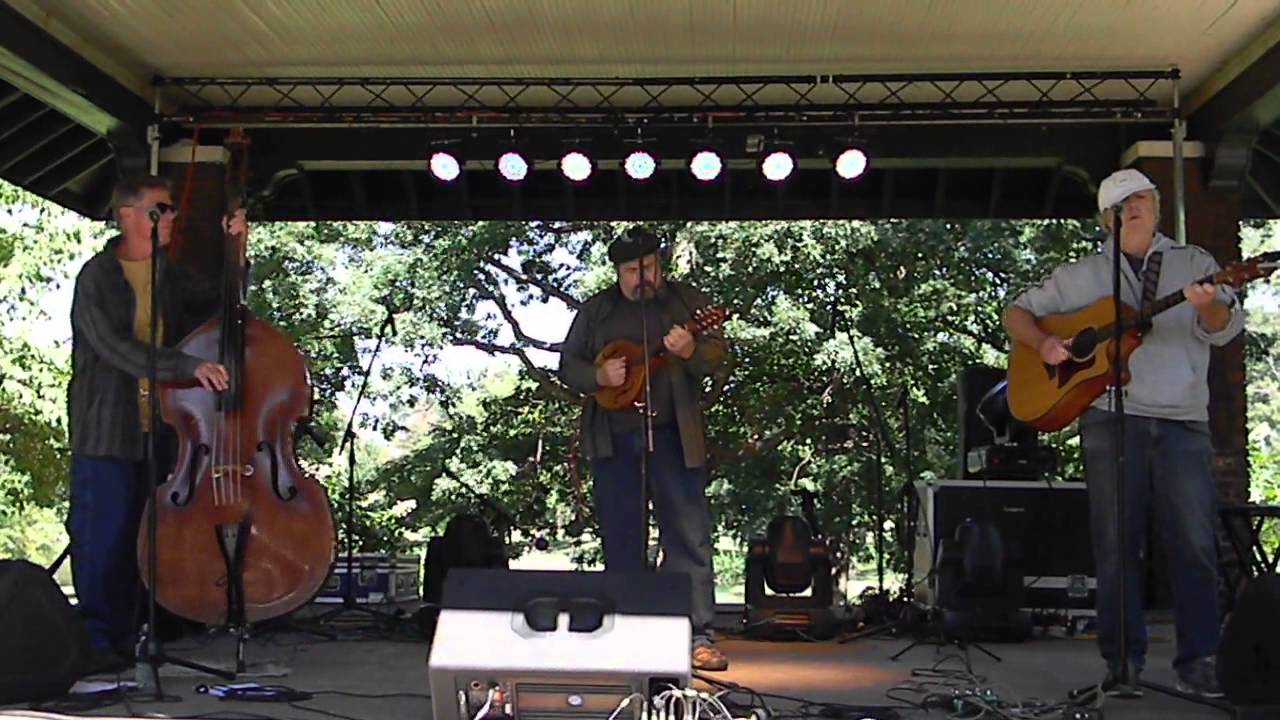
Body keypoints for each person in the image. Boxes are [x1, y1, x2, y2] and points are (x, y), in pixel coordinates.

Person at [1004, 168, 1244, 698]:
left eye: (1142, 198)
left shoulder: (1196, 263)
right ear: (1106, 218)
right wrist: (1045, 345)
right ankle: (1123, 663)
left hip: (1182, 419)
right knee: (1115, 544)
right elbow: (1016, 313)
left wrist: (1209, 304)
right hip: (1111, 417)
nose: (1134, 207)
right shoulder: (1082, 274)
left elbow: (1224, 331)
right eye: (1122, 202)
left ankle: (1200, 659)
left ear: (1157, 206)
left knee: (1194, 543)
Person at [67, 174, 240, 669]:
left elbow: (218, 302)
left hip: (162, 429)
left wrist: (236, 249)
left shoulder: (168, 272)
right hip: (107, 428)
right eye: (160, 209)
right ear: (127, 216)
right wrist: (188, 367)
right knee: (106, 534)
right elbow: (115, 346)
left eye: (171, 209)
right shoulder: (97, 276)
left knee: (152, 534)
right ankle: (100, 641)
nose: (170, 218)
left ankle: (145, 629)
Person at [558, 227, 729, 671]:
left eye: (648, 267)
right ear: (618, 272)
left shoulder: (685, 301)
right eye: (632, 271)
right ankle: (625, 633)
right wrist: (599, 378)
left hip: (674, 434)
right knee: (621, 538)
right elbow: (567, 366)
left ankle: (698, 636)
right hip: (613, 439)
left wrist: (691, 350)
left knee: (688, 536)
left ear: (660, 264)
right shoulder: (597, 312)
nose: (642, 277)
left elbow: (717, 357)